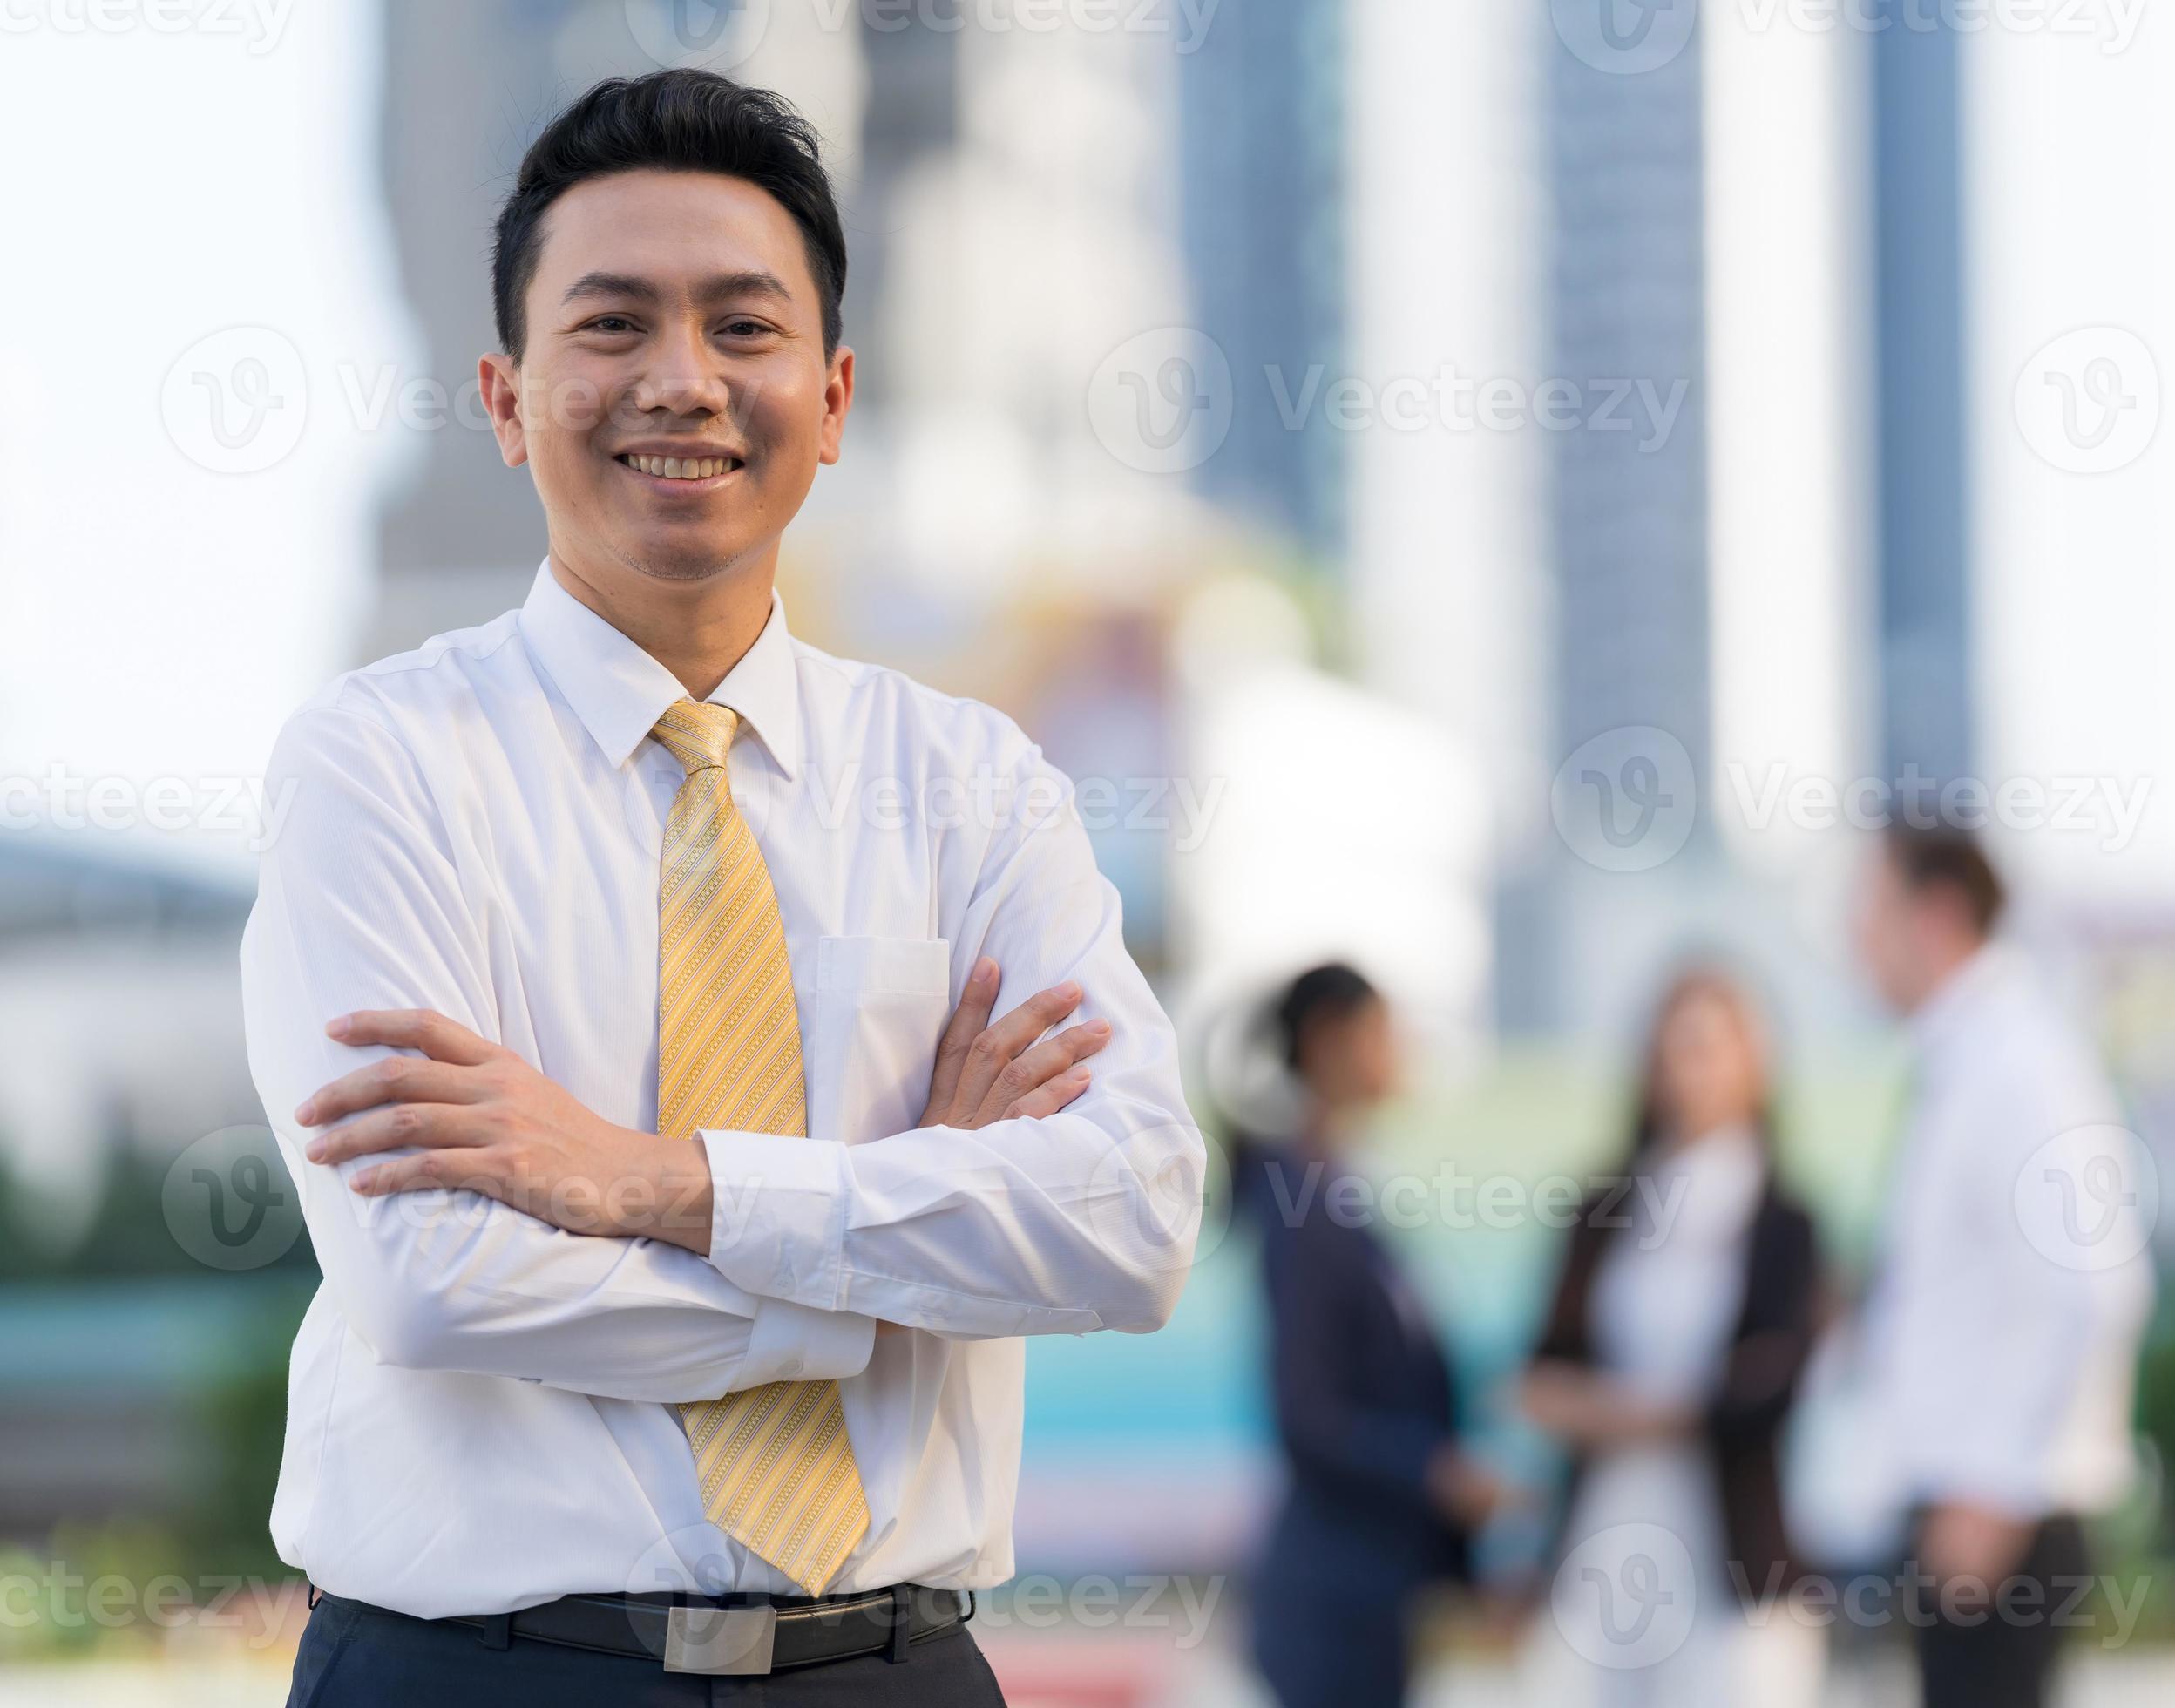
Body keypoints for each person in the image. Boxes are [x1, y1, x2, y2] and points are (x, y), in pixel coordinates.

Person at [244, 71, 1203, 1705]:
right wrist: (896, 1248)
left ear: (831, 401)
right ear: (503, 394)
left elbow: (1131, 1221)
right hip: (485, 1672)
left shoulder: (968, 782)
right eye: (612, 326)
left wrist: (657, 1181)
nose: (681, 381)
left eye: (741, 328)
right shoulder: (379, 762)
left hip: (888, 1668)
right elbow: (436, 1278)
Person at [1849, 822, 2153, 1708]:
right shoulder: (1969, 1059)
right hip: (1968, 1503)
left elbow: (2096, 1289)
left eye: (1871, 910)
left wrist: (1998, 1486)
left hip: (2001, 1515)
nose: (1855, 940)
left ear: (1936, 915)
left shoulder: (2020, 1064)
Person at [1519, 968, 1826, 1707]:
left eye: (1711, 1049)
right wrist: (1679, 1406)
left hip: (1732, 1549)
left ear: (1756, 1063)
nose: (1690, 1071)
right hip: (1605, 1537)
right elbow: (1539, 1379)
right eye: (1673, 1049)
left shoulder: (1784, 1223)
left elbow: (1768, 1387)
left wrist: (1621, 1413)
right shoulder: (1601, 1210)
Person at [1233, 964, 1506, 1708]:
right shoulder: (1302, 1205)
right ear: (1330, 1042)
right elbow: (1309, 1415)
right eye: (1384, 1032)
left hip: (1369, 1593)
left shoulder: (1338, 1188)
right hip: (1333, 1602)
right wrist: (1434, 1471)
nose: (1402, 1051)